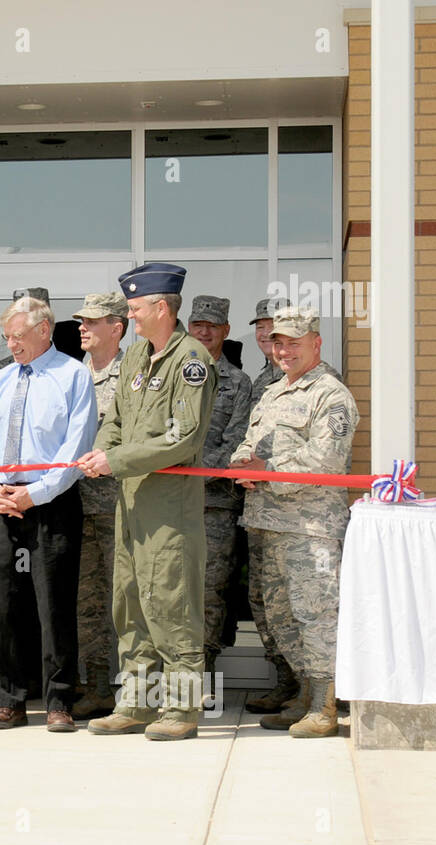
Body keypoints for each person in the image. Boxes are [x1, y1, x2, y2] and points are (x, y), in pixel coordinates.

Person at [77, 263, 217, 742]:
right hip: (131, 502)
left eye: (135, 309)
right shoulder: (136, 358)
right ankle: (136, 701)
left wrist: (115, 460)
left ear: (161, 307)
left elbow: (183, 438)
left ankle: (180, 707)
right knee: (129, 602)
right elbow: (114, 419)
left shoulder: (191, 359)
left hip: (168, 507)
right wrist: (104, 449)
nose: (131, 317)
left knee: (171, 604)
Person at [231, 306, 358, 738]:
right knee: (282, 618)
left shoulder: (331, 394)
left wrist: (267, 468)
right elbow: (247, 443)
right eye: (278, 342)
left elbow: (327, 460)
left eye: (293, 343)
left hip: (310, 529)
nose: (283, 350)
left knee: (316, 615)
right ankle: (304, 694)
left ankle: (325, 706)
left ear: (316, 344)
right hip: (267, 524)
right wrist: (242, 465)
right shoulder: (270, 394)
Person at [0, 296, 95, 732]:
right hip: (1, 503)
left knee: (54, 606)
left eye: (18, 336)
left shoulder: (74, 375)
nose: (12, 344)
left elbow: (75, 448)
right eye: (7, 337)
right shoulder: (0, 380)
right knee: (3, 607)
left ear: (44, 330)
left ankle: (59, 700)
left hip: (51, 505)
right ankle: (9, 699)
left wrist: (36, 494)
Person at [187, 295, 252, 691]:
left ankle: (201, 677)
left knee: (210, 592)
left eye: (213, 326)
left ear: (226, 332)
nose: (205, 332)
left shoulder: (239, 383)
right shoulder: (177, 374)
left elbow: (236, 443)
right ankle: (173, 677)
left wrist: (189, 471)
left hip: (214, 505)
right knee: (175, 592)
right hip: (174, 503)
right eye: (198, 325)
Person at [69, 292, 128, 720]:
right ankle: (94, 685)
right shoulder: (73, 376)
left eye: (92, 321)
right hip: (76, 505)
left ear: (117, 327)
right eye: (81, 322)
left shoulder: (135, 375)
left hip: (121, 506)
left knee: (126, 601)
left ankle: (132, 689)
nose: (82, 328)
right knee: (86, 603)